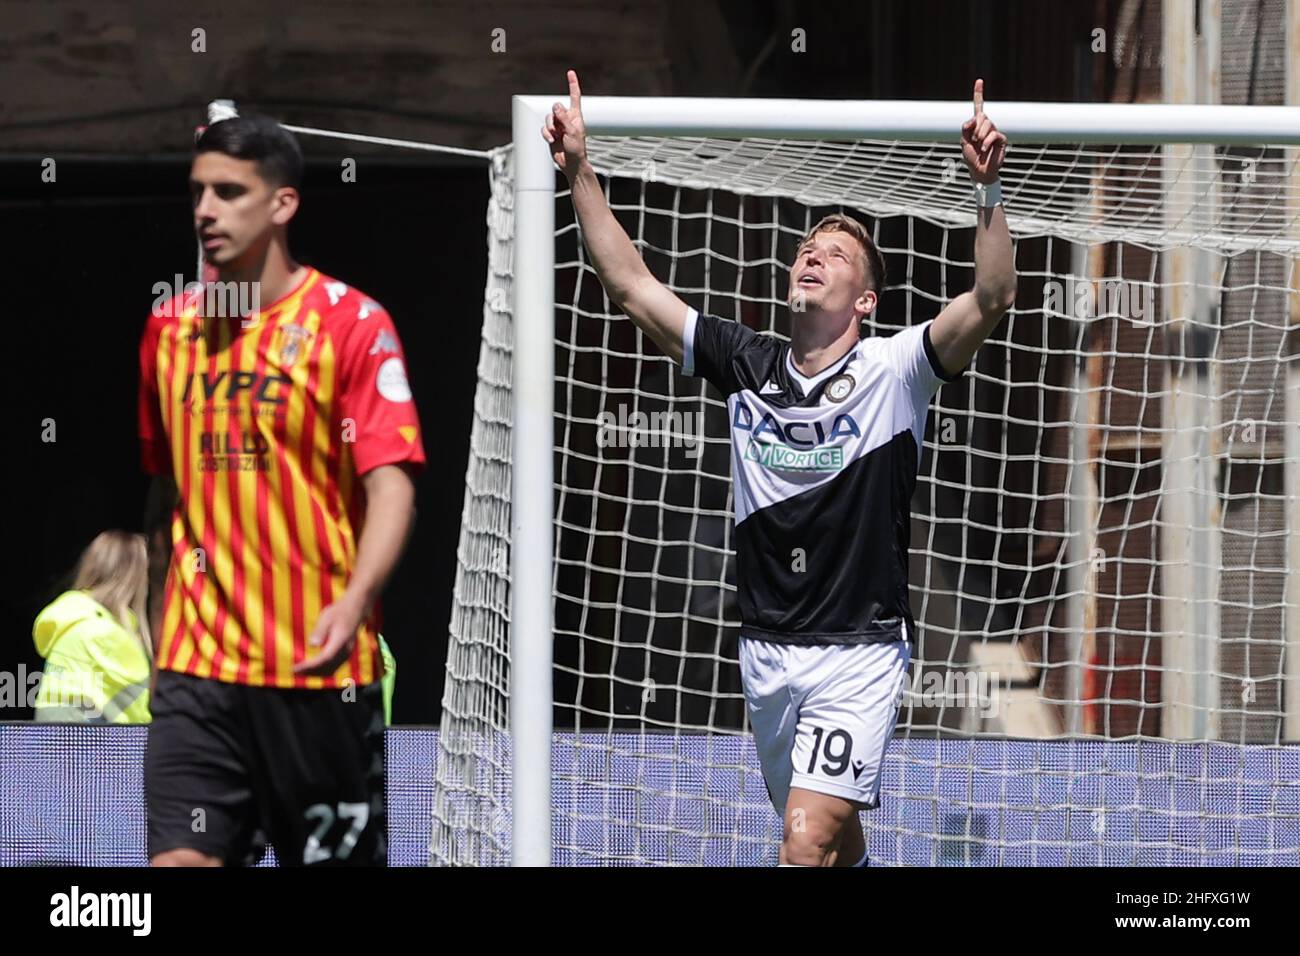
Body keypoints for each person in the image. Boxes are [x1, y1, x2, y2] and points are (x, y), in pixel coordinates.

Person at [542, 71, 1016, 866]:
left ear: (865, 300)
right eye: (807, 249)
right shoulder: (744, 360)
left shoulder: (899, 368)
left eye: (835, 255)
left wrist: (987, 187)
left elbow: (994, 294)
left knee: (802, 841)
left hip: (859, 648)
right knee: (831, 846)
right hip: (766, 648)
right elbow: (630, 285)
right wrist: (580, 170)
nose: (813, 257)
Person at [139, 110, 425, 866]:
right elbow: (166, 493)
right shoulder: (168, 333)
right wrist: (162, 614)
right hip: (197, 676)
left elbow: (391, 486)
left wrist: (358, 598)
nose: (205, 210)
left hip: (319, 676)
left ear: (282, 204)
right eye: (198, 191)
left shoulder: (353, 326)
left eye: (229, 192)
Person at [32, 531, 154, 724]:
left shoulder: (69, 622)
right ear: (135, 578)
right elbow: (139, 717)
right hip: (96, 745)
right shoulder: (110, 635)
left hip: (49, 745)